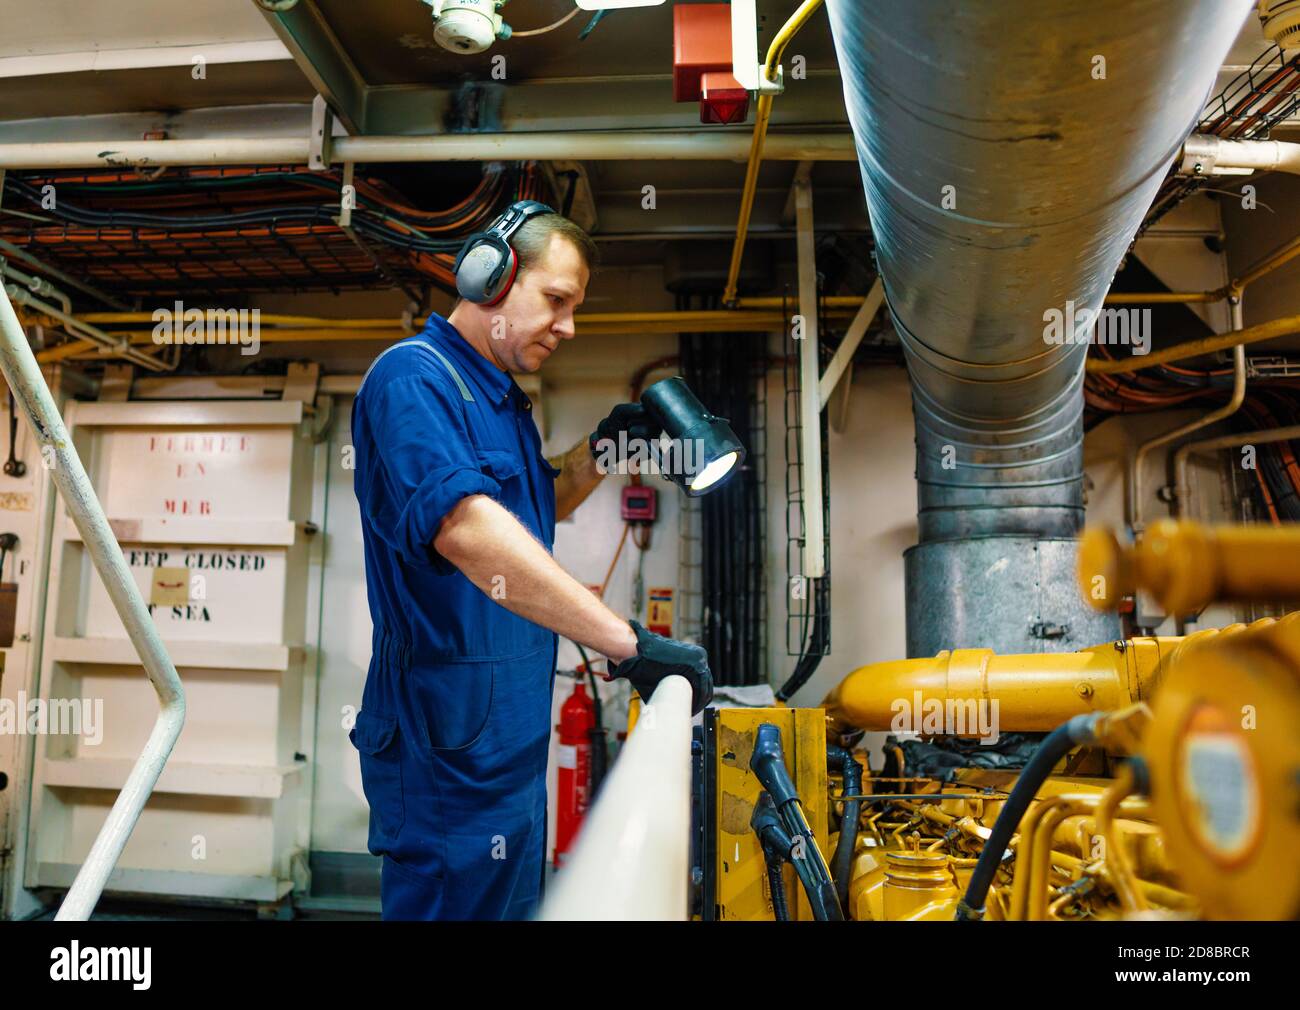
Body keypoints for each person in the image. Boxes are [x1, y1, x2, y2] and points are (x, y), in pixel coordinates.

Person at [349, 201, 713, 921]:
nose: (569, 326)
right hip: (444, 742)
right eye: (556, 301)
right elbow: (470, 533)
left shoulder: (503, 403)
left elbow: (539, 504)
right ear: (489, 278)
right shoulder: (413, 380)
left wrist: (609, 447)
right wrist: (627, 645)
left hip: (506, 738)